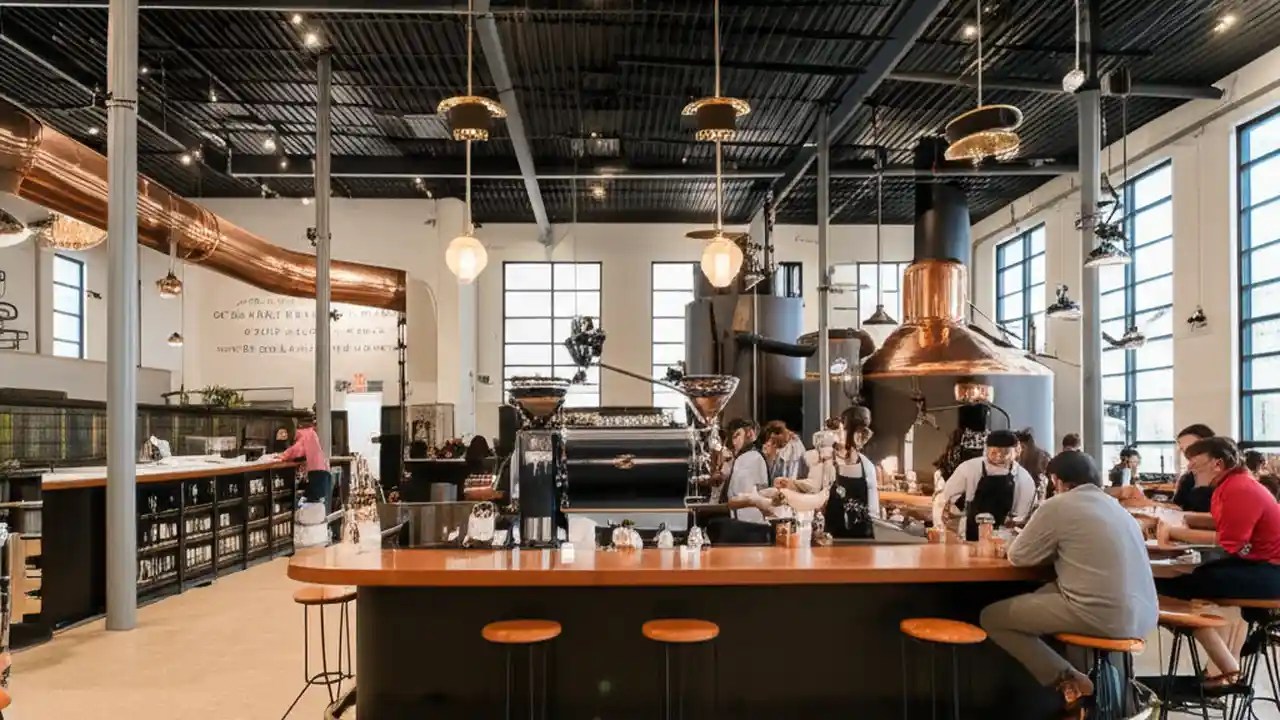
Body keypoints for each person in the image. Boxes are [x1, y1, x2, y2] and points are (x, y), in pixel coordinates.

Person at [981, 451, 1158, 710]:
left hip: (1103, 615)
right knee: (1044, 592)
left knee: (992, 617)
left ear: (1057, 481)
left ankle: (1069, 678)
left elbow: (1018, 556)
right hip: (1145, 615)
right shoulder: (1117, 509)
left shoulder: (1058, 505)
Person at [1155, 436, 1280, 687]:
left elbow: (1227, 541)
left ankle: (1227, 671)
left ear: (1218, 463)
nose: (1190, 468)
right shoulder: (1230, 485)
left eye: (1194, 462)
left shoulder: (1239, 488)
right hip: (1260, 565)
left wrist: (1174, 531)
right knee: (1169, 580)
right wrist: (1178, 518)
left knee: (1168, 583)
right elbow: (1220, 522)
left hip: (1270, 573)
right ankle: (1227, 668)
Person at [933, 429, 1037, 540]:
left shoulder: (1024, 479)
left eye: (1004, 453)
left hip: (1004, 539)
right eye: (994, 452)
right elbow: (943, 499)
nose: (998, 456)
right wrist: (942, 531)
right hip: (968, 535)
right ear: (986, 449)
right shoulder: (969, 468)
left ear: (1017, 451)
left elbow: (1024, 516)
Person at [276, 415, 332, 512]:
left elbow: (297, 450)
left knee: (310, 503)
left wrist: (283, 456)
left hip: (316, 471)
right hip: (324, 470)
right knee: (318, 501)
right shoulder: (312, 433)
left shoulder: (303, 435)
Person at [1171, 424, 1216, 512]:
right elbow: (1178, 507)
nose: (1185, 453)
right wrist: (1149, 503)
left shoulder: (1222, 476)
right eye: (1182, 448)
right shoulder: (1188, 477)